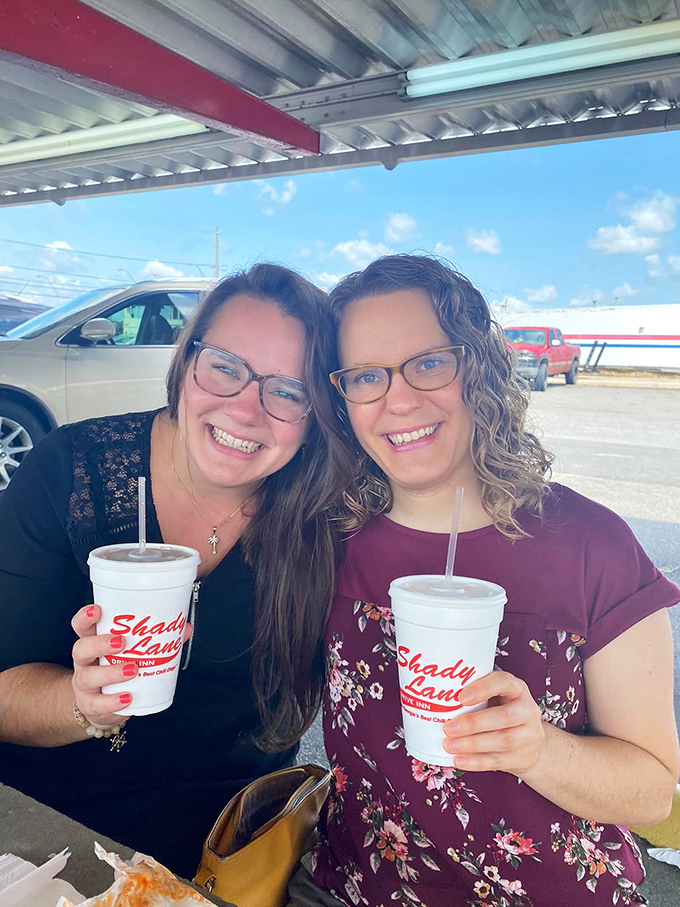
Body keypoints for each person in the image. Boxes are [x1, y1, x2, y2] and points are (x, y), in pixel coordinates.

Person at [300, 255, 680, 906]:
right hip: (352, 888)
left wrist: (536, 750)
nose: (397, 398)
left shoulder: (593, 544)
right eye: (366, 375)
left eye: (427, 362)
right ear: (342, 397)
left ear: (477, 365)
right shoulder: (328, 541)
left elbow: (651, 790)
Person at [0, 263, 353, 878]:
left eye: (287, 390)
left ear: (316, 412)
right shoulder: (70, 472)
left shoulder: (326, 515)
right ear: (185, 362)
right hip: (53, 832)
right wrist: (82, 703)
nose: (246, 409)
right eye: (225, 366)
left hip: (232, 845)